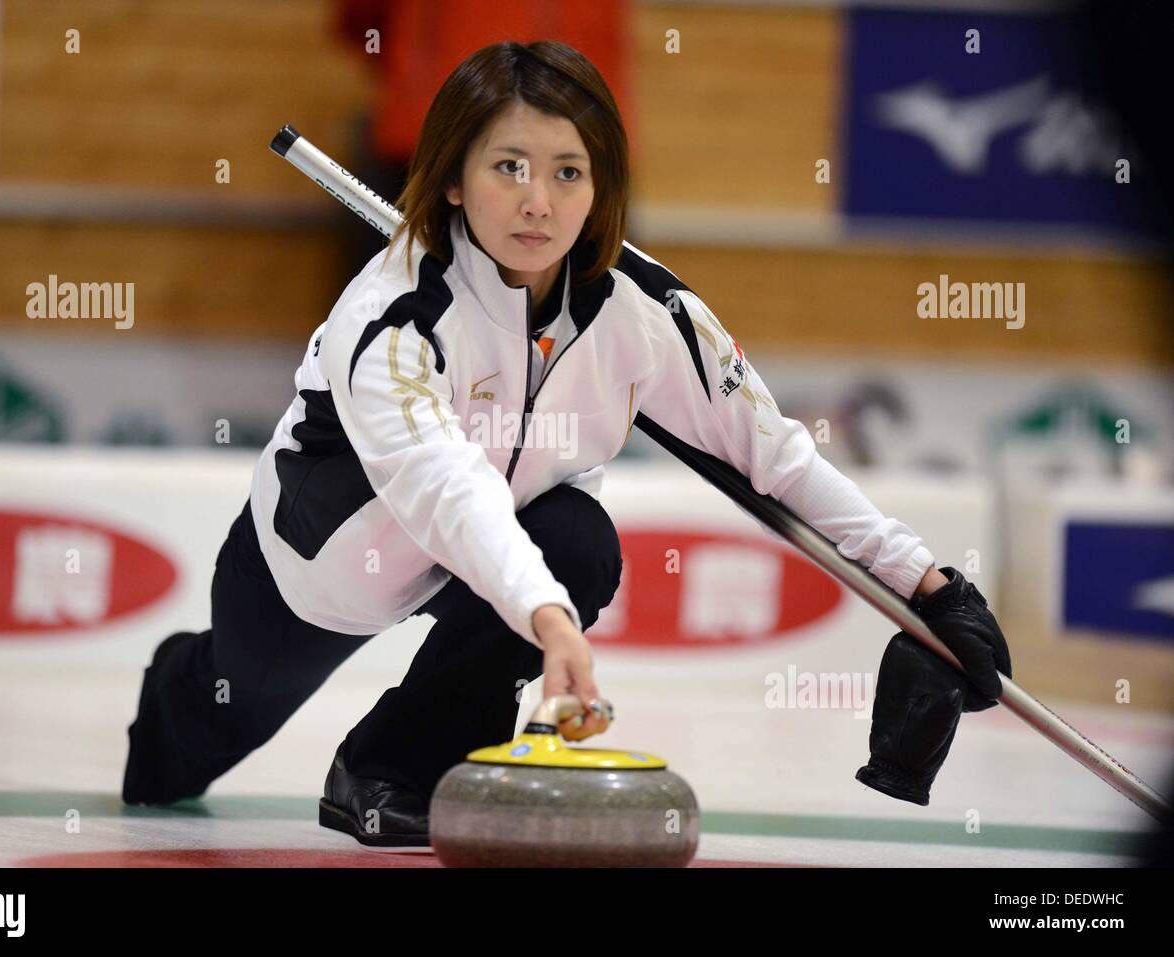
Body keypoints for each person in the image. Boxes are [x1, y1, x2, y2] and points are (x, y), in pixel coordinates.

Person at [122, 39, 1012, 846]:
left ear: (602, 187)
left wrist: (929, 586)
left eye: (568, 172)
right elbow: (446, 490)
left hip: (496, 557)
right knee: (198, 733)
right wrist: (550, 622)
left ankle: (393, 770)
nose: (538, 202)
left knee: (580, 545)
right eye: (508, 166)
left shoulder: (647, 313)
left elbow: (774, 458)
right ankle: (180, 684)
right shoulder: (393, 316)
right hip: (319, 572)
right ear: (455, 177)